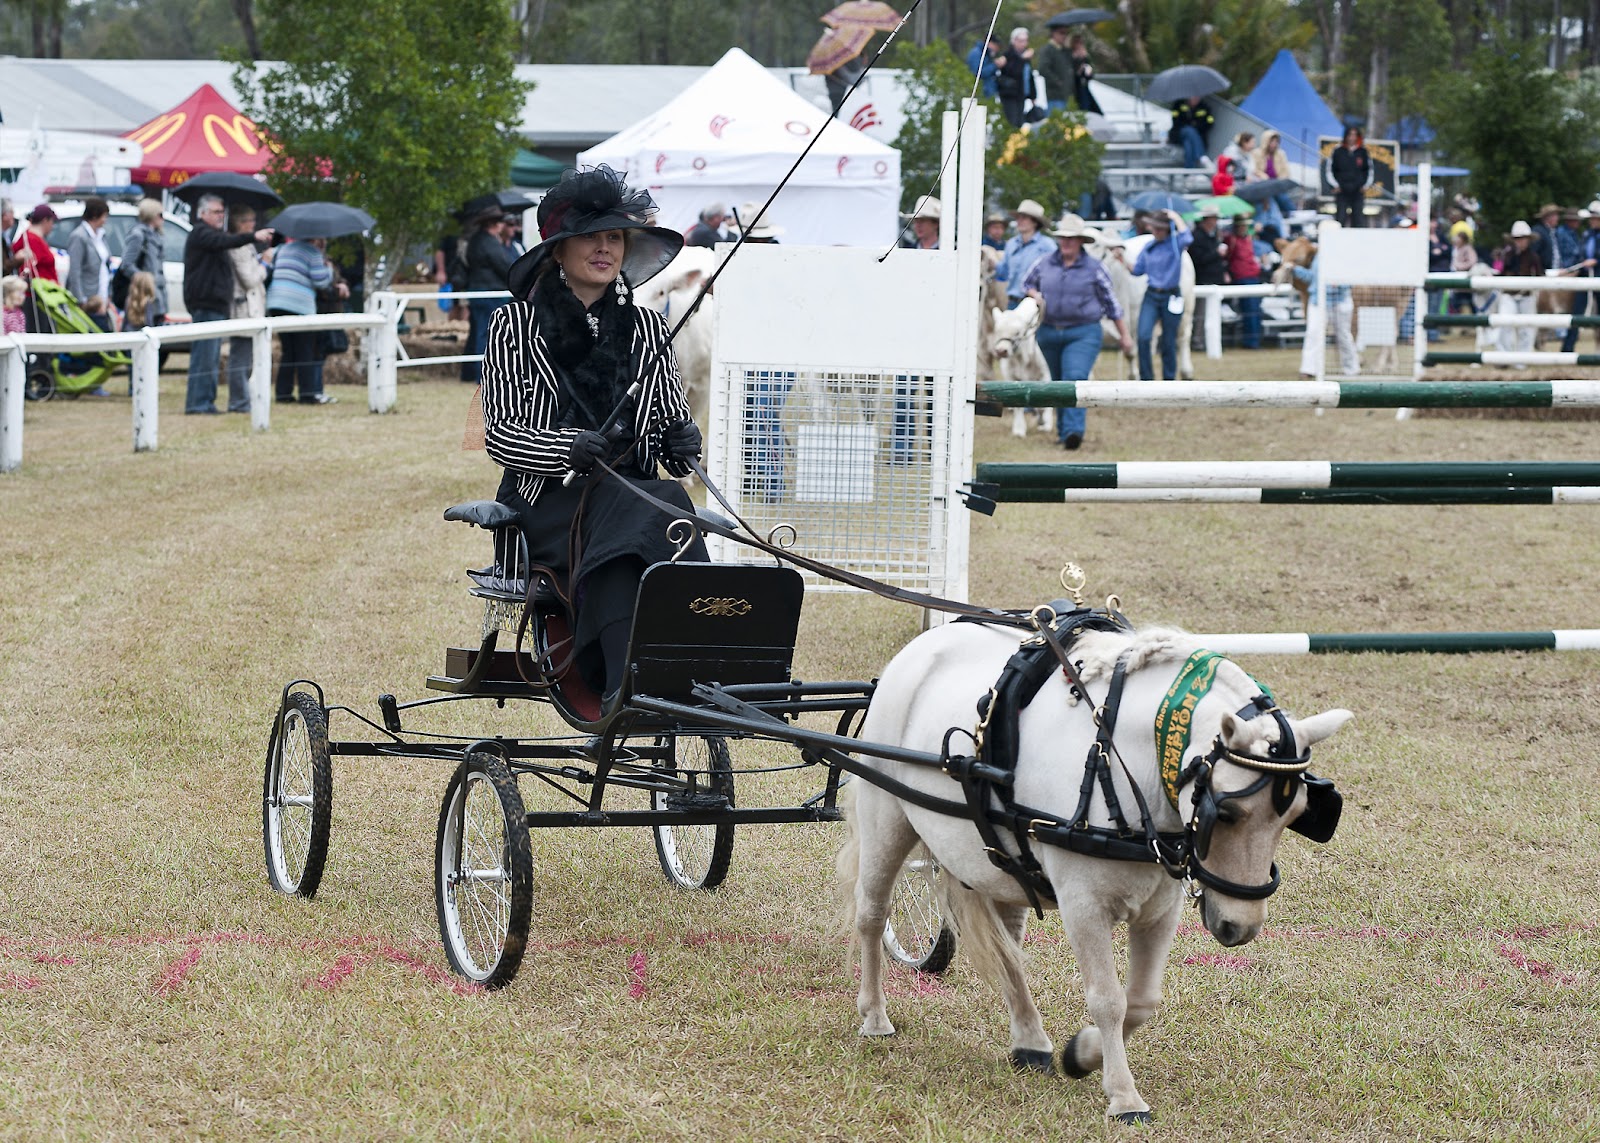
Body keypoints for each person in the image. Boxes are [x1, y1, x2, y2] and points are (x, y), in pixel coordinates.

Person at [482, 165, 705, 707]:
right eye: (590, 237)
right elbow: (500, 434)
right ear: (558, 251)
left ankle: (688, 665)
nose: (604, 249)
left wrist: (678, 441)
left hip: (635, 498)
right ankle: (621, 683)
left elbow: (663, 425)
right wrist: (567, 446)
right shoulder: (514, 325)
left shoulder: (649, 329)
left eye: (614, 237)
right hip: (550, 501)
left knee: (665, 501)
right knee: (658, 509)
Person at [1021, 213, 1132, 449]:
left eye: (1072, 238)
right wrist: (1035, 295)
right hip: (1049, 331)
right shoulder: (1044, 262)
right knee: (1058, 383)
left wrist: (1124, 335)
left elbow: (1112, 304)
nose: (1067, 242)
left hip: (1083, 331)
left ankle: (1073, 432)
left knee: (1074, 377)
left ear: (1081, 241)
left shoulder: (1095, 268)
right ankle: (1064, 432)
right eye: (1063, 238)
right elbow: (1026, 284)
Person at [184, 193, 273, 414]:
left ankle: (205, 402)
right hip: (206, 303)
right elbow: (224, 242)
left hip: (214, 304)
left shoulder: (212, 236)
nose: (220, 216)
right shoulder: (202, 233)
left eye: (222, 212)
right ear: (202, 213)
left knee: (211, 356)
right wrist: (253, 236)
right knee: (204, 356)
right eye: (215, 211)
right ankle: (199, 403)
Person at [265, 234, 338, 404]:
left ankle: (283, 393)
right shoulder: (312, 253)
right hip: (299, 305)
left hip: (276, 302)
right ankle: (307, 393)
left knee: (288, 351)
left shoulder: (282, 249)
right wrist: (328, 268)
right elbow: (321, 281)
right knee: (305, 350)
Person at [1131, 208, 1193, 380]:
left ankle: (1169, 379)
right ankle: (1146, 379)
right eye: (1154, 228)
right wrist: (1121, 260)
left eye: (1160, 228)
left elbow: (1188, 237)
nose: (1156, 231)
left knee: (1168, 339)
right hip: (1151, 295)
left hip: (1171, 295)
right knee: (1143, 337)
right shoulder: (1148, 247)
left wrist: (1176, 217)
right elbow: (1137, 270)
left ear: (1167, 229)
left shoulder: (1175, 244)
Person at [1294, 228, 1358, 377]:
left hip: (1339, 301)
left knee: (1343, 335)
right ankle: (1308, 369)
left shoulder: (1344, 256)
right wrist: (1295, 270)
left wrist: (1339, 283)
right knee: (1313, 333)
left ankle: (1351, 368)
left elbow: (1350, 280)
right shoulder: (1318, 256)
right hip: (1318, 300)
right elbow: (1313, 278)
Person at [225, 205, 269, 413]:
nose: (254, 225)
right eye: (251, 221)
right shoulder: (238, 247)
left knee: (247, 359)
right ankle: (238, 402)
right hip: (244, 308)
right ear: (241, 223)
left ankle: (243, 399)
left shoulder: (247, 246)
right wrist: (265, 266)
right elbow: (249, 279)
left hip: (252, 307)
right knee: (240, 359)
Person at [464, 209, 515, 384]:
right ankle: (483, 375)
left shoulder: (477, 240)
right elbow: (505, 265)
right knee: (486, 334)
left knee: (479, 332)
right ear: (494, 224)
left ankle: (473, 372)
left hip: (478, 290)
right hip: (489, 292)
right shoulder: (489, 242)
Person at [1492, 220, 1544, 356]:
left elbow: (1540, 276)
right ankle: (1504, 356)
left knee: (1526, 328)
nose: (1520, 242)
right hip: (1508, 294)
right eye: (1517, 239)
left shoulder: (1534, 257)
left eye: (1523, 239)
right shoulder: (1507, 255)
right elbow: (1500, 273)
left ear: (1528, 240)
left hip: (1526, 295)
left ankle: (1523, 357)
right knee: (1505, 324)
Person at [994, 199, 1053, 308]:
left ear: (1035, 222)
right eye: (1018, 217)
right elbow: (1003, 273)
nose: (1019, 221)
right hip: (1013, 303)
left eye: (1024, 218)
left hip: (1035, 304)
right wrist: (989, 263)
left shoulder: (1047, 245)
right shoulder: (1011, 244)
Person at [120, 199, 169, 326]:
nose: (163, 219)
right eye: (160, 215)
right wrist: (144, 280)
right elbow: (126, 264)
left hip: (157, 294)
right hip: (143, 296)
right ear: (151, 215)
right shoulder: (138, 235)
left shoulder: (156, 235)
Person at [1562, 202, 1600, 353]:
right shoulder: (1586, 235)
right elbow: (1579, 255)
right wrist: (1570, 268)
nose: (1591, 220)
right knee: (1577, 311)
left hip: (1598, 277)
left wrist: (1596, 261)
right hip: (1585, 277)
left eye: (1594, 217)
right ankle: (1568, 348)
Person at [1187, 206, 1228, 348]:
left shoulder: (1212, 235)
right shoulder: (1197, 236)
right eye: (1214, 218)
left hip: (1213, 278)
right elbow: (1198, 259)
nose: (1216, 221)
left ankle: (1205, 340)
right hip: (1203, 279)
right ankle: (1198, 340)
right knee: (1201, 313)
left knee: (1209, 313)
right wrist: (1216, 253)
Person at [64, 196, 111, 304]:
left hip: (101, 296)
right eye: (104, 216)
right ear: (95, 216)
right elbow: (75, 271)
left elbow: (106, 265)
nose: (105, 220)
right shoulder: (79, 237)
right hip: (87, 298)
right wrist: (80, 299)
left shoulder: (101, 235)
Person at [1225, 215, 1262, 349]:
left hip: (1253, 276)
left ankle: (1255, 339)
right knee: (1249, 310)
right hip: (1242, 277)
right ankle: (1251, 342)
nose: (1244, 228)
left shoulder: (1248, 239)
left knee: (1255, 311)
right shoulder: (1232, 240)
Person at [1327, 126, 1372, 228]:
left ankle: (1357, 241)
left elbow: (1369, 170)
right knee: (1340, 218)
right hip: (1342, 189)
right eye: (1350, 135)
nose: (1352, 137)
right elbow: (1330, 170)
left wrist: (1365, 185)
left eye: (1354, 135)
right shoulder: (1338, 151)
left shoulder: (1363, 152)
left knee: (1358, 219)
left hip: (1357, 190)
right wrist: (1335, 185)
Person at [994, 27, 1034, 128]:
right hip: (1009, 95)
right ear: (1014, 41)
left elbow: (1028, 76)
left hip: (1021, 94)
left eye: (1025, 41)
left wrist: (1033, 95)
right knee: (1012, 123)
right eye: (1021, 41)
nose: (1024, 44)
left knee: (1020, 122)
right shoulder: (1007, 55)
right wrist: (1022, 59)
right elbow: (1013, 71)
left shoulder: (1025, 55)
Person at [11, 204, 60, 284]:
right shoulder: (32, 240)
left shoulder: (31, 237)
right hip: (37, 292)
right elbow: (27, 271)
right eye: (52, 221)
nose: (52, 226)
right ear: (45, 220)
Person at [1035, 23, 1073, 114]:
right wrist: (1057, 82)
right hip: (1055, 96)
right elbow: (1043, 69)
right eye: (1061, 33)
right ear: (1053, 33)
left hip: (1066, 95)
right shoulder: (1048, 50)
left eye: (1066, 33)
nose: (1064, 36)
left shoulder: (1064, 50)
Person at [1168, 97, 1213, 169]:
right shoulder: (1178, 104)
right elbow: (1175, 120)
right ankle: (1201, 156)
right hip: (1179, 134)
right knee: (1189, 130)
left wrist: (1196, 125)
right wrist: (1189, 124)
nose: (1196, 99)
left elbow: (1209, 123)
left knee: (1188, 145)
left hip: (1195, 137)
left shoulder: (1204, 107)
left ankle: (1189, 172)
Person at [1068, 35, 1102, 114]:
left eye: (1081, 43)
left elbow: (1089, 76)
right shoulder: (1069, 55)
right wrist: (1077, 62)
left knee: (1091, 109)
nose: (1079, 45)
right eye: (1077, 42)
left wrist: (1087, 69)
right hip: (1074, 89)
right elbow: (1072, 74)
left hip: (1084, 87)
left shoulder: (1084, 57)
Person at [965, 33, 1001, 98]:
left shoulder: (988, 55)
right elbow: (978, 72)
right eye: (996, 46)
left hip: (989, 92)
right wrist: (995, 65)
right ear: (990, 43)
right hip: (980, 93)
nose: (997, 49)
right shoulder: (976, 53)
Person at [1, 199, 17, 276]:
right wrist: (17, 260)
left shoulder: (5, 235)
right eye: (12, 212)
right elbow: (3, 267)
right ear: (5, 216)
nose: (13, 216)